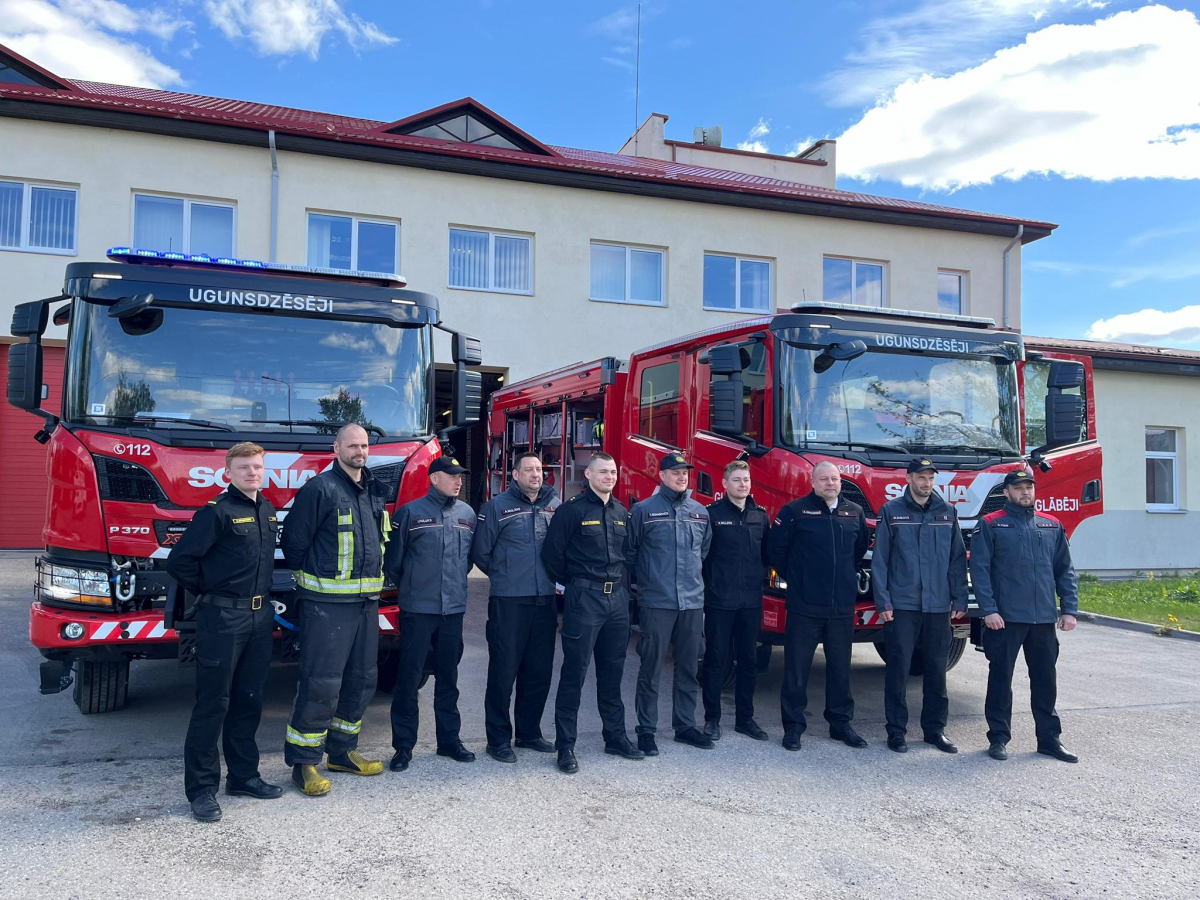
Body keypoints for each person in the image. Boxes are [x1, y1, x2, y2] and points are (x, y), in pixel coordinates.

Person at [167, 442, 283, 822]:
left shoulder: (267, 510)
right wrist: (211, 590)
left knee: (249, 700)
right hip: (222, 619)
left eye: (257, 466)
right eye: (244, 467)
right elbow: (180, 561)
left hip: (259, 617)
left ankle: (243, 776)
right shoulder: (216, 512)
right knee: (213, 703)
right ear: (228, 472)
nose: (252, 472)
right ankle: (201, 790)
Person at [280, 423, 387, 796]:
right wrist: (313, 585)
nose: (360, 451)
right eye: (352, 445)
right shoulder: (319, 489)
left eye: (364, 445)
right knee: (321, 683)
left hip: (366, 603)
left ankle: (342, 752)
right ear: (336, 448)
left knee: (362, 679)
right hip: (327, 604)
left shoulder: (372, 490)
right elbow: (294, 543)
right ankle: (304, 763)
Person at [541, 452, 644, 774]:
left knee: (613, 673)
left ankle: (615, 737)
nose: (609, 477)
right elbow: (552, 555)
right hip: (584, 598)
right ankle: (565, 746)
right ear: (588, 475)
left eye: (612, 472)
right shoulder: (571, 510)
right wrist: (575, 585)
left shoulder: (621, 511)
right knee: (575, 673)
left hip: (617, 601)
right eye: (603, 472)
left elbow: (628, 555)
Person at [970, 467, 1080, 763]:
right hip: (1005, 619)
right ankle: (998, 738)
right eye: (1018, 488)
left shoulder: (1051, 525)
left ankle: (1049, 740)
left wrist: (1069, 609)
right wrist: (988, 610)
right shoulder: (991, 524)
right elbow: (979, 571)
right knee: (1000, 679)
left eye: (1029, 487)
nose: (1025, 492)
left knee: (1045, 681)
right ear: (1006, 492)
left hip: (1043, 619)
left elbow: (1065, 571)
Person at [767, 460, 870, 752]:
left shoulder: (855, 512)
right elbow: (776, 551)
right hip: (805, 606)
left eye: (834, 479)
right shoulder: (795, 512)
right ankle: (793, 727)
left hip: (841, 607)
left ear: (841, 482)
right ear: (812, 482)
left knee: (840, 669)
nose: (830, 483)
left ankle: (841, 724)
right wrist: (800, 580)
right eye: (824, 479)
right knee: (797, 670)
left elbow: (859, 549)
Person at [385, 456, 478, 770]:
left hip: (453, 610)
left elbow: (467, 561)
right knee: (409, 679)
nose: (458, 481)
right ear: (434, 478)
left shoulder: (467, 514)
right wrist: (415, 587)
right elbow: (394, 563)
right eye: (452, 476)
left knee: (449, 678)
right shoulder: (410, 513)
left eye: (460, 476)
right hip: (418, 610)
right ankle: (403, 747)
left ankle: (449, 741)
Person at [871, 458, 968, 754]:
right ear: (909, 478)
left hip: (938, 605)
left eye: (930, 478)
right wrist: (883, 600)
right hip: (903, 605)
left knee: (937, 671)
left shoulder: (948, 512)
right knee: (898, 670)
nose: (927, 483)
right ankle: (896, 731)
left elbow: (957, 558)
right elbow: (880, 560)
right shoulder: (891, 511)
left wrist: (960, 597)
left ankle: (935, 730)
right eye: (921, 477)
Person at [471, 452, 561, 763]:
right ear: (515, 474)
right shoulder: (497, 507)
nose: (536, 474)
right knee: (503, 671)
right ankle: (497, 740)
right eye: (529, 469)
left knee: (538, 671)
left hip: (545, 599)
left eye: (539, 469)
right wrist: (506, 575)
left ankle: (529, 733)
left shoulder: (555, 505)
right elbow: (481, 553)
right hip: (509, 601)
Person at [627, 452, 713, 755]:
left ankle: (685, 726)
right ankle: (646, 730)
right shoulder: (643, 510)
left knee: (688, 667)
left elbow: (703, 552)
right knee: (651, 668)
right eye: (675, 472)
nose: (681, 477)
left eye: (684, 472)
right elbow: (630, 553)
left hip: (692, 602)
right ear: (662, 476)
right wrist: (648, 582)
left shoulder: (699, 512)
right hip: (657, 602)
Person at [701, 460, 771, 743]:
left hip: (750, 602)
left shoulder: (760, 516)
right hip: (720, 600)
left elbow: (766, 556)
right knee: (715, 659)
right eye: (737, 480)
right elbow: (702, 557)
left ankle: (745, 719)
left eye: (746, 480)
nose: (743, 485)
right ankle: (712, 719)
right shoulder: (712, 514)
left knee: (748, 661)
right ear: (725, 484)